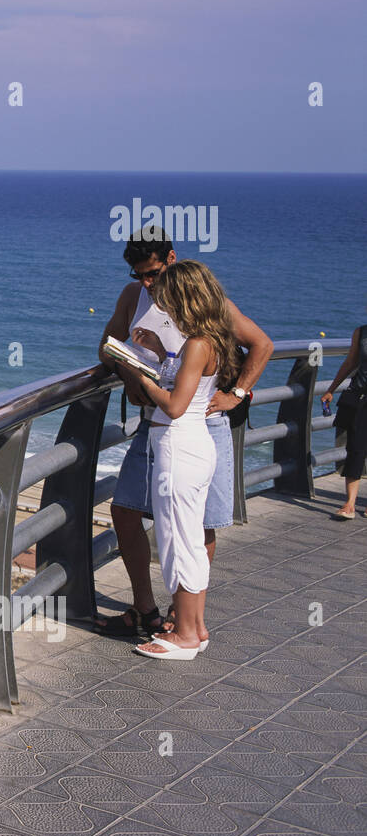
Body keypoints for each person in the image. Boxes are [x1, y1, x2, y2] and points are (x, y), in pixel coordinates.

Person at [95, 229, 272, 639]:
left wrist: (236, 394)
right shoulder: (132, 297)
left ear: (171, 258)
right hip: (156, 423)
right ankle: (145, 609)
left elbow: (262, 344)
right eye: (139, 275)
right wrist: (128, 373)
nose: (147, 284)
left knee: (202, 524)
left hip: (199, 424)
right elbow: (107, 344)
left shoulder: (208, 303)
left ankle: (183, 618)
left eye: (153, 273)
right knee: (124, 510)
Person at [113, 261, 238, 659]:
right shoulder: (209, 340)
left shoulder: (198, 345)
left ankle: (183, 636)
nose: (160, 302)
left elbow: (175, 404)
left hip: (179, 448)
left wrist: (141, 374)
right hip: (195, 448)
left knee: (177, 543)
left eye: (167, 295)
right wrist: (153, 349)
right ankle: (196, 628)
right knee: (190, 542)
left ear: (184, 296)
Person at [322, 320, 367, 519]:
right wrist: (331, 389)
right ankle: (349, 504)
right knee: (355, 449)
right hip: (360, 397)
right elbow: (350, 362)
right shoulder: (361, 333)